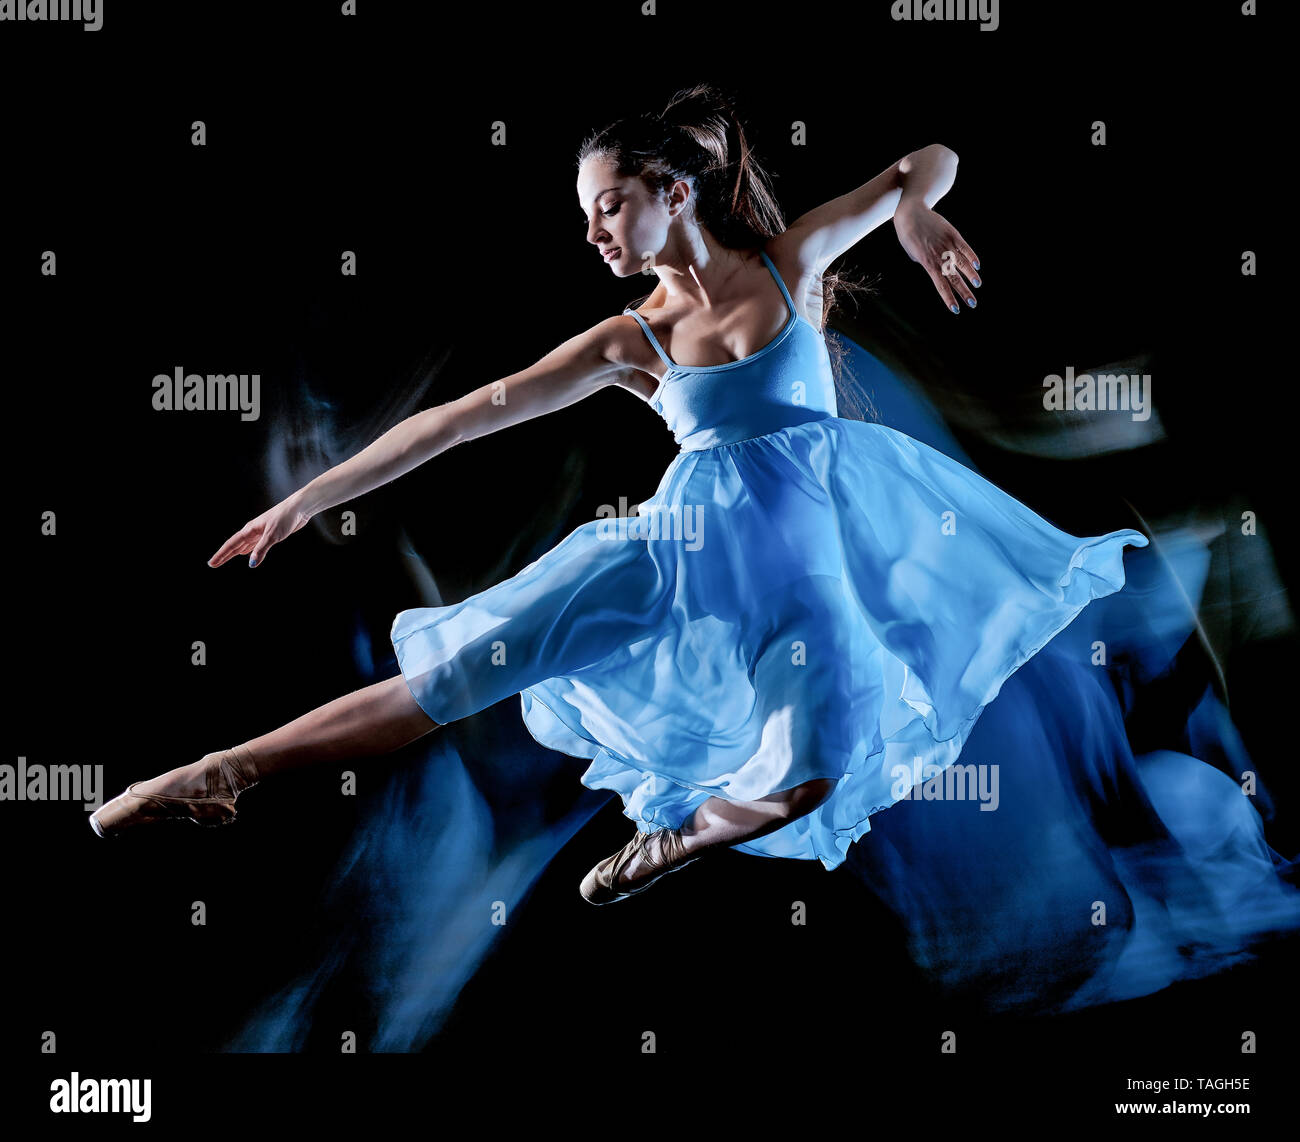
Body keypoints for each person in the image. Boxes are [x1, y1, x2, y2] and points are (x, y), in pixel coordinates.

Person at [91, 83, 1147, 906]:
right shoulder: (631, 337)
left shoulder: (790, 265)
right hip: (669, 560)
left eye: (609, 206)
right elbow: (462, 415)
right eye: (587, 213)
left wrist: (914, 211)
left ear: (671, 193)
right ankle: (218, 767)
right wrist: (309, 496)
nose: (594, 231)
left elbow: (930, 155)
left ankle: (676, 838)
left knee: (814, 784)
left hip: (803, 589)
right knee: (451, 676)